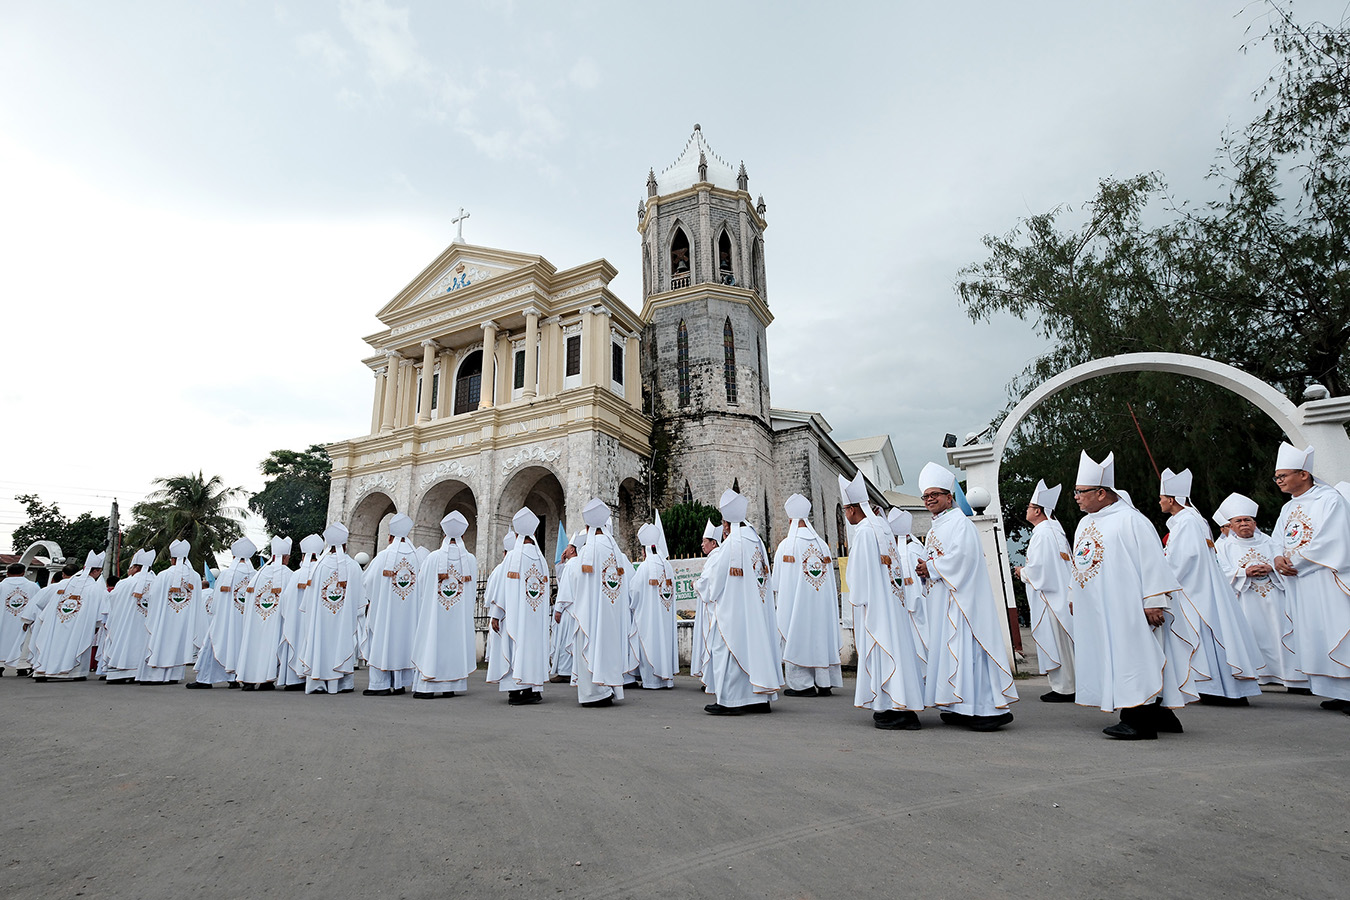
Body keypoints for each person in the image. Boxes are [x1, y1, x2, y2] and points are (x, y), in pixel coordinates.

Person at [1070, 451, 1198, 739]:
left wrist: (1154, 601)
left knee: (1135, 656)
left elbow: (1153, 562)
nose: (1076, 497)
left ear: (1101, 493)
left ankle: (1138, 720)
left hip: (1129, 606)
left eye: (1081, 491)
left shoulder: (1132, 520)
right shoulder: (1085, 522)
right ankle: (1162, 714)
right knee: (1121, 656)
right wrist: (1072, 593)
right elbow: (1079, 562)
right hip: (1100, 607)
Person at [915, 463, 1017, 731]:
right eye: (925, 496)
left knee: (967, 653)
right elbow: (938, 559)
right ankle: (956, 706)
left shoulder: (960, 523)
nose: (929, 500)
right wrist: (924, 568)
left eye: (934, 494)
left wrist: (932, 567)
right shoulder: (937, 526)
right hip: (943, 602)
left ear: (950, 496)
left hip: (962, 604)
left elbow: (963, 559)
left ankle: (984, 710)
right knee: (950, 654)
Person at [1159, 467, 1265, 705]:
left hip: (1192, 589)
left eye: (1162, 498)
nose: (1160, 502)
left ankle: (1214, 687)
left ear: (1173, 499)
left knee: (1203, 634)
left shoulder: (1187, 521)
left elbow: (1182, 559)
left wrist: (1161, 579)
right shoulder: (1192, 519)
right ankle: (1220, 687)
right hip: (1201, 586)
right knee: (1213, 634)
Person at [840, 474, 925, 729]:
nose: (845, 514)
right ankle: (898, 705)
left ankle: (892, 707)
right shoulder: (883, 528)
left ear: (853, 509)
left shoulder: (865, 532)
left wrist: (856, 596)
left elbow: (858, 575)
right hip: (892, 605)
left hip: (875, 607)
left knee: (883, 652)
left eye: (845, 509)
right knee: (896, 651)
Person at [1270, 443, 1350, 712]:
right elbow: (1277, 541)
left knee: (1338, 632)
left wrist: (1297, 562)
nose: (1279, 481)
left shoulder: (1330, 499)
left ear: (1304, 474)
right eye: (1277, 477)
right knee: (1318, 635)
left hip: (1327, 579)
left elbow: (1333, 538)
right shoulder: (1287, 508)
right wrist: (1278, 558)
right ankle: (1339, 691)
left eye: (1283, 475)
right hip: (1301, 582)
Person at [1215, 492, 1309, 693]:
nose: (1243, 524)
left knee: (1280, 633)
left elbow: (1285, 562)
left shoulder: (1270, 542)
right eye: (1238, 521)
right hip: (1244, 600)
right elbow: (1218, 572)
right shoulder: (1223, 547)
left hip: (1275, 598)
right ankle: (1258, 674)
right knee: (1252, 634)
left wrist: (1271, 568)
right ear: (1230, 526)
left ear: (1255, 523)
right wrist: (1243, 572)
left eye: (1247, 520)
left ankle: (1290, 677)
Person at [701, 489, 783, 715]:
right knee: (755, 648)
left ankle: (731, 700)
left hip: (735, 610)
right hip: (757, 608)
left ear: (726, 523)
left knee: (725, 648)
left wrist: (703, 589)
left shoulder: (732, 543)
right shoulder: (755, 539)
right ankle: (758, 698)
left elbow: (716, 581)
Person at [558, 498, 632, 708]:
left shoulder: (588, 550)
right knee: (609, 645)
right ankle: (609, 688)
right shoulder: (615, 550)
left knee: (589, 645)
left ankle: (593, 693)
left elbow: (573, 577)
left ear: (588, 526)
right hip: (612, 611)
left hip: (590, 611)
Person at [773, 493, 843, 697]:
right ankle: (824, 682)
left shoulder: (787, 545)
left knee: (798, 635)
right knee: (821, 637)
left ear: (789, 520)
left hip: (798, 607)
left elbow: (777, 583)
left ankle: (802, 684)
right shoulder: (823, 546)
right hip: (821, 607)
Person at [1015, 480, 1076, 703]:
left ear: (1038, 511)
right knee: (1064, 645)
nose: (1027, 511)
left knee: (1058, 643)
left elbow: (1041, 570)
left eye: (1029, 507)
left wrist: (1022, 572)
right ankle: (1068, 684)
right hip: (1059, 595)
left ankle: (1064, 688)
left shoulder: (1043, 533)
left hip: (1050, 597)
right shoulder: (1055, 531)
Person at [486, 508, 553, 705]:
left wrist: (496, 614)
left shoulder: (513, 557)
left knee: (515, 646)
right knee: (532, 648)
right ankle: (533, 688)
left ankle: (516, 690)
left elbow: (502, 590)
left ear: (516, 534)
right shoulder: (541, 559)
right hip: (536, 616)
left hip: (517, 615)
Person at [410, 512, 478, 699]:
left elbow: (422, 586)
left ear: (444, 534)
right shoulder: (470, 560)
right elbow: (472, 592)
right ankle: (451, 685)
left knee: (432, 641)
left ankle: (427, 687)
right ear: (463, 535)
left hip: (435, 613)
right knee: (454, 643)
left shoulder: (432, 558)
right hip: (459, 615)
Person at [298, 522, 364, 695]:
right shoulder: (353, 566)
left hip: (320, 619)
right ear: (345, 544)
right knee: (341, 641)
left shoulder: (316, 567)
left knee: (320, 641)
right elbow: (360, 601)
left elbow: (309, 599)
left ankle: (317, 682)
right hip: (343, 620)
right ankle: (342, 683)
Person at [361, 514, 421, 697]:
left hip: (385, 612)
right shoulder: (417, 558)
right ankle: (400, 683)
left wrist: (374, 598)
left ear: (389, 537)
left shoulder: (383, 557)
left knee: (383, 639)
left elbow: (367, 582)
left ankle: (380, 684)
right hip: (409, 613)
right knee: (404, 640)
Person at [32, 550, 107, 681]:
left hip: (55, 622)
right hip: (79, 625)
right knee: (75, 643)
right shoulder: (96, 588)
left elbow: (41, 603)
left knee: (52, 644)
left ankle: (43, 671)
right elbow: (102, 613)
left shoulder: (63, 584)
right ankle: (74, 672)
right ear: (96, 571)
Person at [193, 538, 257, 688]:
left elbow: (215, 600)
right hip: (246, 622)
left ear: (234, 556)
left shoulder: (227, 574)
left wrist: (217, 613)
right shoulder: (255, 575)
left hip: (225, 620)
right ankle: (237, 677)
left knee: (214, 644)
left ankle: (205, 680)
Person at [141, 540, 202, 685]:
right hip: (184, 620)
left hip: (164, 619)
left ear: (173, 559)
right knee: (179, 641)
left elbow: (153, 597)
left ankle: (154, 676)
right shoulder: (196, 577)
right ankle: (173, 675)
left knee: (161, 640)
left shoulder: (163, 575)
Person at [235, 536, 292, 690]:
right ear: (284, 558)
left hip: (255, 621)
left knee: (253, 647)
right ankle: (267, 680)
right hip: (275, 621)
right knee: (270, 647)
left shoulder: (258, 574)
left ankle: (248, 680)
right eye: (287, 557)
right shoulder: (288, 574)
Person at [630, 522, 678, 689]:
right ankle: (666, 679)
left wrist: (633, 605)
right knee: (663, 643)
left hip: (649, 618)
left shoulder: (644, 568)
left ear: (644, 550)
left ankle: (651, 681)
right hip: (664, 616)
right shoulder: (668, 566)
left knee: (648, 640)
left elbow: (634, 593)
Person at [102, 549, 154, 684]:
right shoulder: (157, 582)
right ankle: (140, 671)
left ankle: (121, 672)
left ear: (136, 568)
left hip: (125, 623)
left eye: (130, 567)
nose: (129, 570)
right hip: (147, 623)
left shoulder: (125, 583)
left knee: (125, 641)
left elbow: (112, 599)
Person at [277, 534, 322, 690]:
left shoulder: (296, 575)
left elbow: (286, 599)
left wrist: (289, 616)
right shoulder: (323, 572)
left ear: (304, 556)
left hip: (296, 620)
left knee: (296, 641)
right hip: (317, 620)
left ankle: (293, 680)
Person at [690, 520, 723, 682]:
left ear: (714, 542)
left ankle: (710, 678)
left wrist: (695, 584)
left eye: (705, 541)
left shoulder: (715, 557)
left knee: (710, 641)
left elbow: (707, 582)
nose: (702, 545)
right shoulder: (715, 556)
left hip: (711, 608)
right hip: (711, 606)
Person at [549, 533, 583, 683]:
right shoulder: (577, 564)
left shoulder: (571, 565)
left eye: (568, 547)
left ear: (573, 550)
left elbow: (564, 588)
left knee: (564, 640)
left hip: (568, 609)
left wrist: (558, 608)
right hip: (576, 608)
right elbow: (563, 580)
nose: (565, 549)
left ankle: (564, 671)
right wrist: (561, 564)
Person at [1, 562, 39, 677]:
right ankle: (22, 666)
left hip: (3, 621)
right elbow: (38, 605)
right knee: (23, 642)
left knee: (2, 641)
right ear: (23, 572)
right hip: (24, 622)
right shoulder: (33, 586)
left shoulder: (1, 586)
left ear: (7, 573)